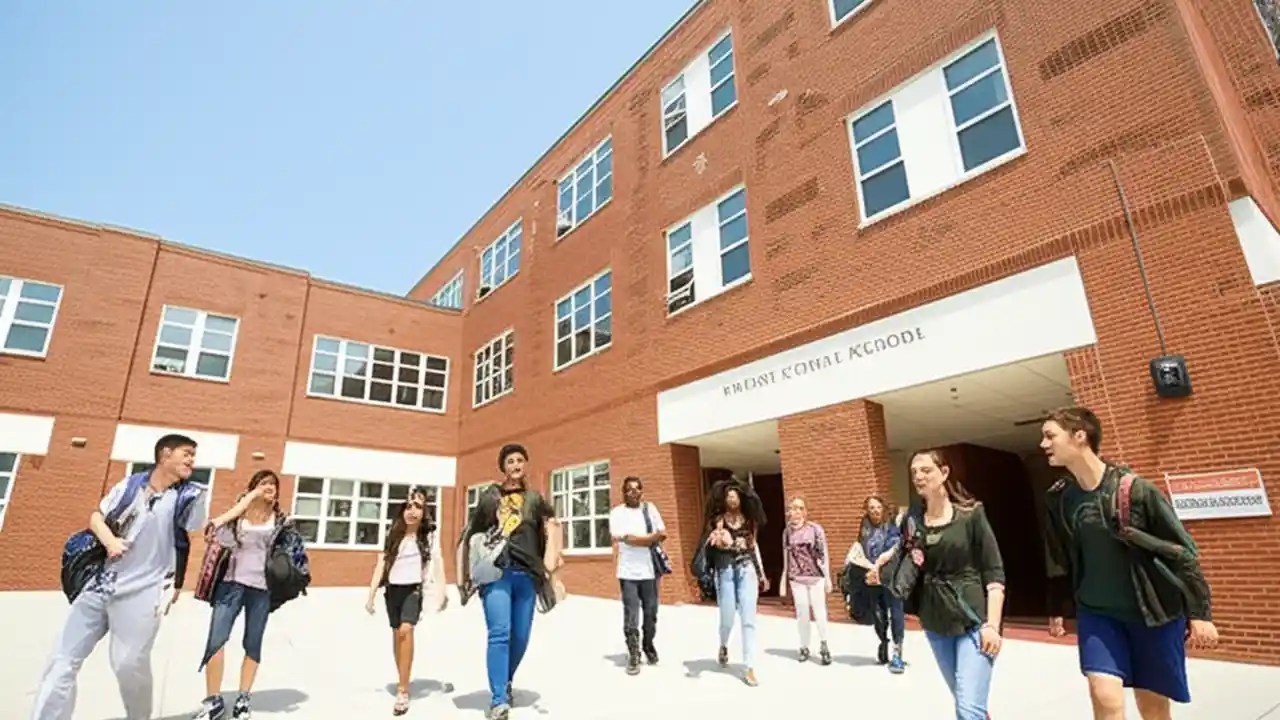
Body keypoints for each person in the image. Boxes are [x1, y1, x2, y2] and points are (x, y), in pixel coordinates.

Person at [1041, 406, 1218, 720]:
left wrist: (1200, 614)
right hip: (1098, 615)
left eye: (1050, 435)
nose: (1043, 445)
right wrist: (1059, 608)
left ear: (1079, 436)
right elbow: (1063, 560)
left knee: (1153, 709)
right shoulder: (1061, 499)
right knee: (1105, 697)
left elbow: (1184, 552)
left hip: (1151, 615)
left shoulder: (1136, 490)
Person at [32, 434, 208, 720]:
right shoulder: (129, 484)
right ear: (165, 454)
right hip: (100, 585)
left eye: (193, 455)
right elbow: (96, 517)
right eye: (187, 453)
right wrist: (110, 542)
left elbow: (194, 526)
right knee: (61, 660)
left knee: (128, 665)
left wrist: (175, 583)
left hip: (142, 593)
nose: (192, 460)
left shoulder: (188, 496)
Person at [891, 449, 1005, 720]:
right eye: (914, 471)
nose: (919, 476)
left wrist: (993, 625)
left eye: (926, 470)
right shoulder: (913, 520)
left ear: (944, 473)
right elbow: (904, 554)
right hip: (935, 622)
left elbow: (994, 571)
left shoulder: (971, 514)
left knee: (967, 709)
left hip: (973, 619)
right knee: (966, 700)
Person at [455, 444, 564, 720]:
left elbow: (552, 528)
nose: (515, 465)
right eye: (510, 461)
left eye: (519, 460)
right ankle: (499, 700)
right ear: (503, 467)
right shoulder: (490, 497)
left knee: (521, 637)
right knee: (500, 633)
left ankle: (504, 680)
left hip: (526, 575)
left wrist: (553, 570)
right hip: (496, 573)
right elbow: (473, 534)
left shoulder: (534, 499)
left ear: (525, 464)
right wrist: (465, 575)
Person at [191, 470, 309, 720]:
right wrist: (247, 501)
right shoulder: (236, 518)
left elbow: (297, 555)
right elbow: (213, 529)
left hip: (262, 590)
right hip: (230, 585)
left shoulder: (281, 521)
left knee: (252, 644)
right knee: (216, 641)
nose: (269, 488)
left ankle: (244, 697)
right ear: (252, 488)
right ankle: (213, 700)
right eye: (263, 484)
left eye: (273, 485)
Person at [364, 486, 448, 716]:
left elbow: (437, 563)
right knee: (396, 634)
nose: (412, 511)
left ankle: (403, 689)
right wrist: (371, 594)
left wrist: (442, 592)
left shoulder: (428, 536)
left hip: (413, 589)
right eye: (408, 506)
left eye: (418, 506)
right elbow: (381, 563)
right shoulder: (394, 534)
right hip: (392, 591)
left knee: (405, 631)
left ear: (425, 511)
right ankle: (403, 674)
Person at [703, 476, 769, 687]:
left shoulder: (750, 520)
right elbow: (708, 544)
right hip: (725, 570)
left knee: (749, 619)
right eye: (728, 496)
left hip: (746, 568)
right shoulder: (718, 520)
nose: (732, 499)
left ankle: (749, 666)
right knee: (728, 616)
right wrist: (718, 540)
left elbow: (754, 547)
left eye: (735, 496)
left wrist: (762, 574)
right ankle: (723, 644)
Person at [608, 475, 667, 675]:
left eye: (637, 489)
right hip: (628, 572)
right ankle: (634, 653)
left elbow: (663, 533)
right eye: (629, 489)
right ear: (623, 492)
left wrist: (643, 539)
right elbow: (628, 540)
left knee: (651, 613)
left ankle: (648, 644)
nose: (633, 493)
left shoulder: (650, 509)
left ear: (642, 491)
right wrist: (651, 538)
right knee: (631, 614)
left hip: (650, 571)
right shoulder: (617, 513)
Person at [852, 496, 907, 673]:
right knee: (878, 614)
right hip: (873, 578)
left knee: (896, 613)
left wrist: (877, 567)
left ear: (883, 508)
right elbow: (861, 549)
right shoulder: (865, 528)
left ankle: (898, 651)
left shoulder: (892, 526)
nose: (875, 510)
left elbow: (893, 549)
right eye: (871, 508)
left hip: (891, 576)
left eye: (877, 507)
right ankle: (883, 641)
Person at [778, 496, 832, 665]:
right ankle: (804, 645)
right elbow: (786, 556)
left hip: (815, 577)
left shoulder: (815, 529)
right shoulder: (787, 532)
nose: (797, 512)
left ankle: (824, 644)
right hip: (797, 578)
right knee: (802, 613)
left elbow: (823, 554)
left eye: (800, 508)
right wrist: (783, 579)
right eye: (793, 508)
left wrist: (828, 577)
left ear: (806, 511)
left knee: (819, 611)